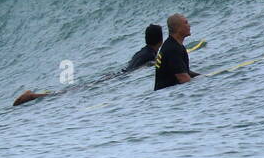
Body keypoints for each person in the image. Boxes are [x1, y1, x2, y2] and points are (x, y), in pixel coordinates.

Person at [12, 23, 165, 105]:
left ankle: (34, 95)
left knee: (73, 91)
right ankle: (33, 96)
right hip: (116, 78)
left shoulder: (142, 52)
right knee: (68, 93)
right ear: (161, 40)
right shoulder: (150, 55)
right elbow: (139, 70)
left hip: (114, 76)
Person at [153, 13, 199, 90]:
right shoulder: (172, 49)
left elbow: (185, 72)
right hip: (167, 96)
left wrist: (204, 77)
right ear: (178, 28)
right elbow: (183, 78)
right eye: (186, 23)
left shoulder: (175, 45)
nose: (189, 25)